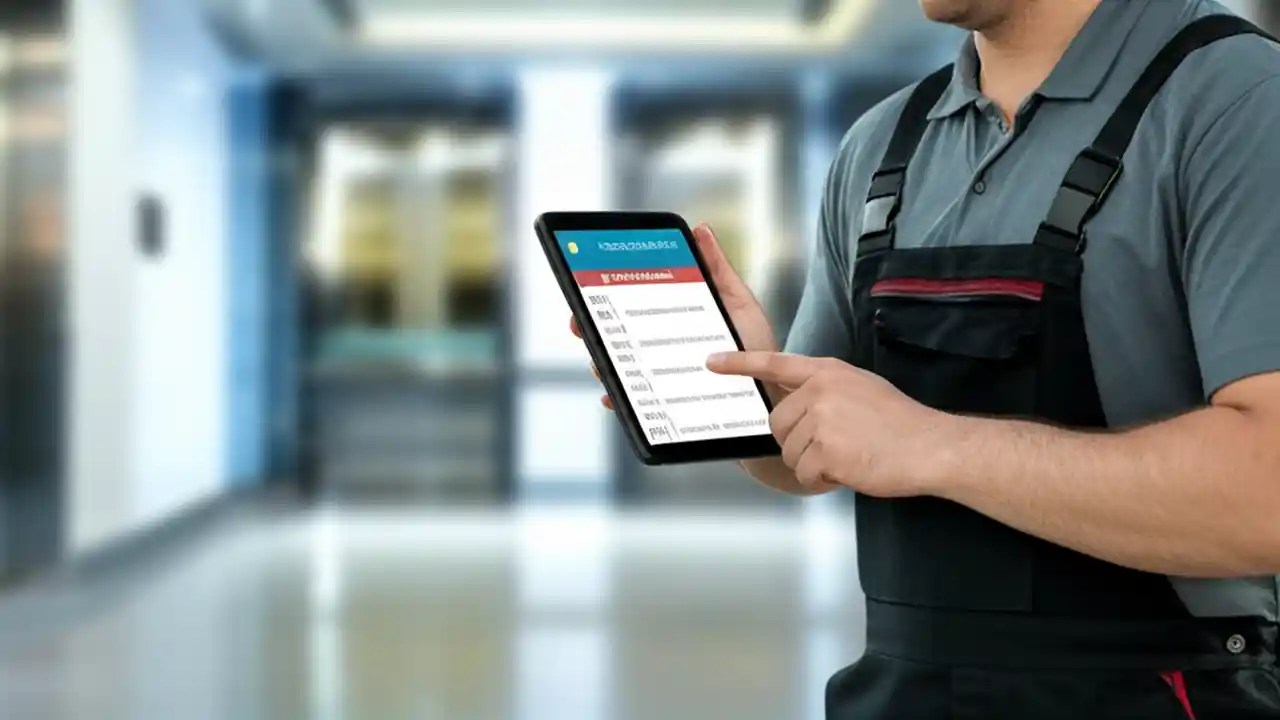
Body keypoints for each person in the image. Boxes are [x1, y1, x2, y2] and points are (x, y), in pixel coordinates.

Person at [569, 0, 1280, 716]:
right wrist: (747, 383)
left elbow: (1266, 498)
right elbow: (806, 458)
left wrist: (931, 445)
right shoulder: (882, 142)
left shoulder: (1240, 100)